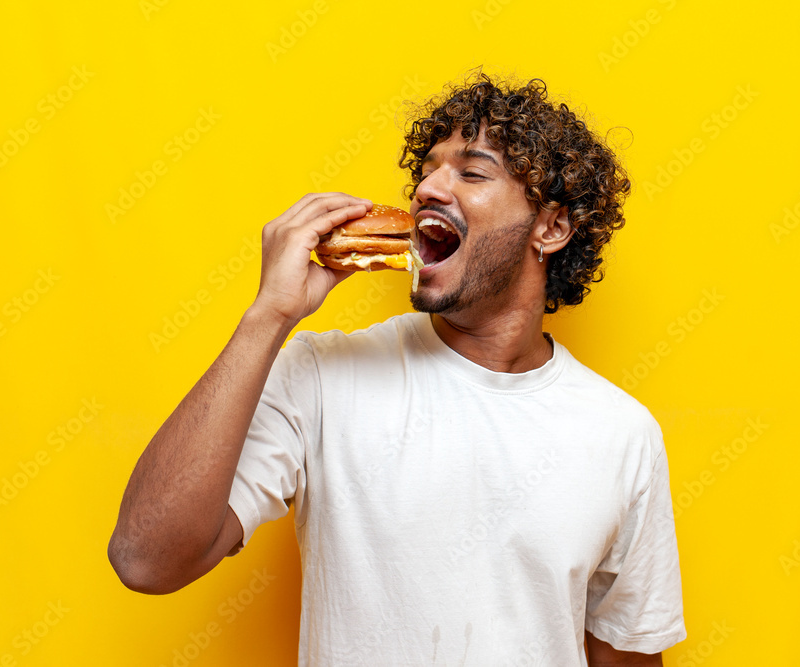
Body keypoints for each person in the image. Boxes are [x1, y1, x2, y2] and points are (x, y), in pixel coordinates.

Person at [108, 73, 686, 666]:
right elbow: (146, 560)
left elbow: (626, 655)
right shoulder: (321, 376)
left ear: (553, 227)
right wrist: (268, 316)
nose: (427, 189)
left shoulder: (621, 434)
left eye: (472, 173)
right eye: (426, 172)